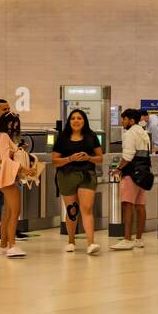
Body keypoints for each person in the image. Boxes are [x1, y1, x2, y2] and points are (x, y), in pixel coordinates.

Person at [52, 108, 104, 255]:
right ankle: (71, 240)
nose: (76, 121)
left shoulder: (91, 136)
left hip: (87, 175)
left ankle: (91, 242)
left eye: (79, 118)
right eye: (73, 118)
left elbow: (100, 158)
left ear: (84, 121)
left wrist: (88, 157)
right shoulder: (62, 138)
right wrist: (70, 159)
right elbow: (55, 160)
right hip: (66, 176)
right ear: (69, 121)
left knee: (87, 208)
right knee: (72, 211)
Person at [0, 98, 29, 244]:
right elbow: (1, 158)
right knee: (10, 208)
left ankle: (5, 241)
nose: (7, 112)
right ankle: (3, 238)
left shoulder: (4, 135)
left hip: (7, 173)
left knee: (9, 210)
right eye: (4, 109)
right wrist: (20, 167)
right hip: (4, 173)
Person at [0, 111, 35, 257]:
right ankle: (11, 245)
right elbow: (5, 159)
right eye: (12, 122)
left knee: (8, 214)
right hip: (8, 178)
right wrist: (23, 169)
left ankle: (4, 245)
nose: (14, 125)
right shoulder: (3, 136)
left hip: (6, 177)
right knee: (14, 212)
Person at [110, 108, 152, 251]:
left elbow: (128, 156)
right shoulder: (144, 133)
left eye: (124, 119)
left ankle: (127, 239)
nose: (122, 121)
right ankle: (139, 239)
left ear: (131, 120)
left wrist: (119, 169)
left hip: (131, 174)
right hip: (143, 174)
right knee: (140, 207)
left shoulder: (129, 134)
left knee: (127, 205)